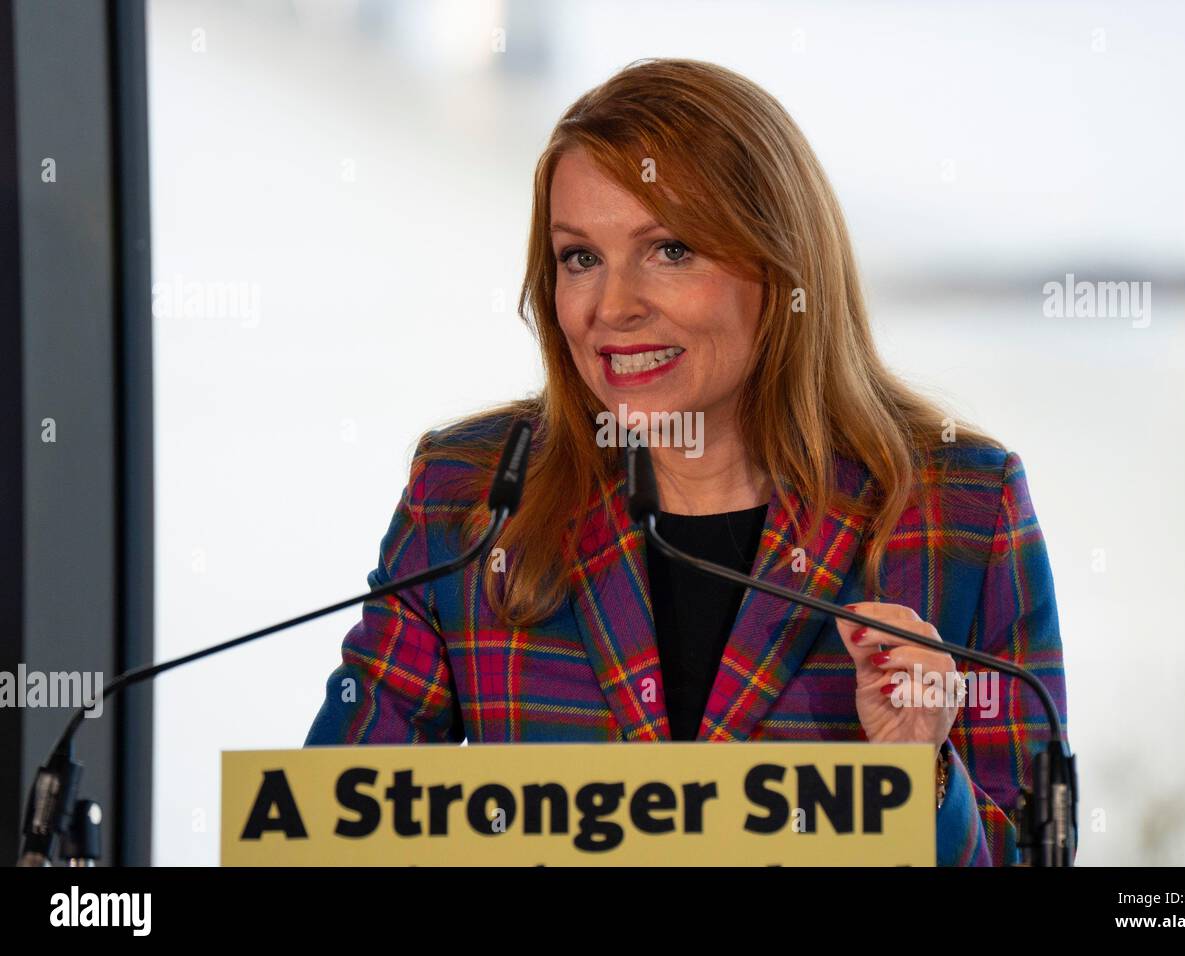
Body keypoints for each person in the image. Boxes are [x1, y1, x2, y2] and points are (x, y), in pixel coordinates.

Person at [306, 57, 1068, 866]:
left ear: (781, 269)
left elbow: (1034, 855)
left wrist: (919, 778)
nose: (613, 307)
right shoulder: (467, 497)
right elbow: (331, 834)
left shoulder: (962, 510)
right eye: (580, 258)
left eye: (669, 250)